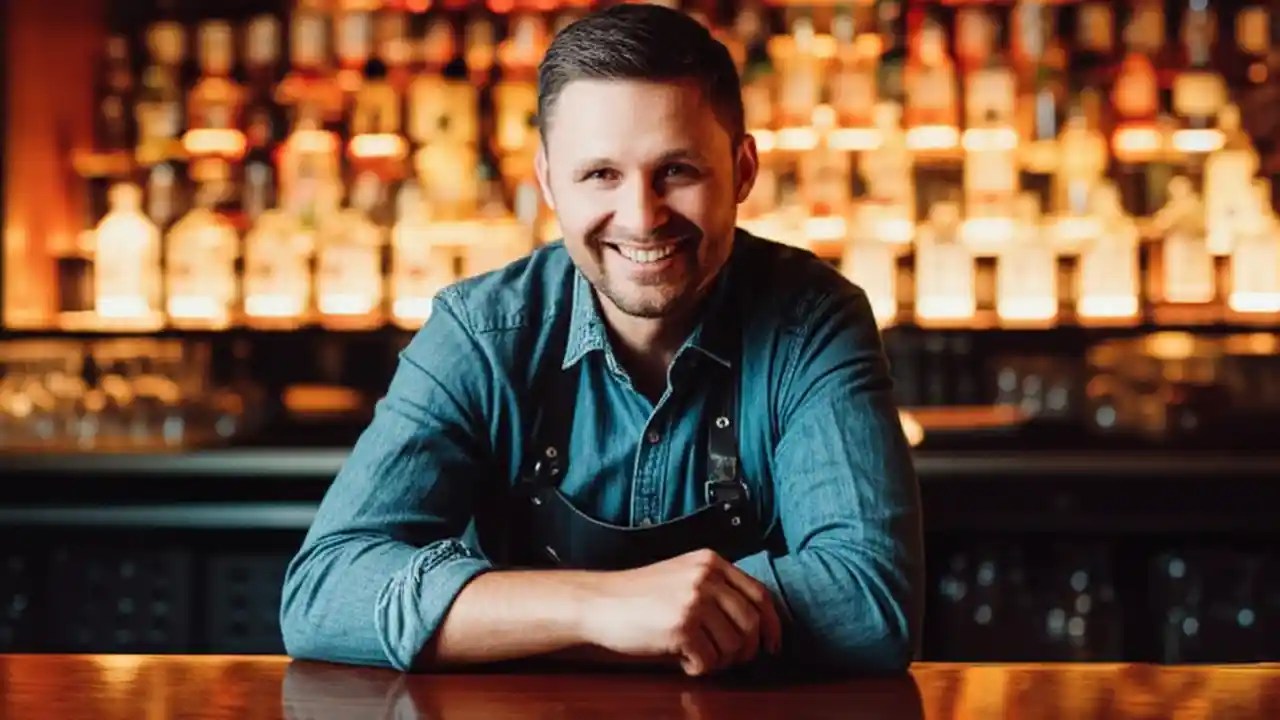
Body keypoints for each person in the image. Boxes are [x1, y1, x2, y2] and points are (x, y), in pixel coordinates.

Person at [281, 3, 923, 677]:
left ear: (742, 170)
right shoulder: (481, 333)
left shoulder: (812, 321)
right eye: (600, 175)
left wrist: (512, 616)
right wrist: (604, 608)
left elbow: (871, 606)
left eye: (677, 170)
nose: (642, 218)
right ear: (548, 182)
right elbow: (324, 592)